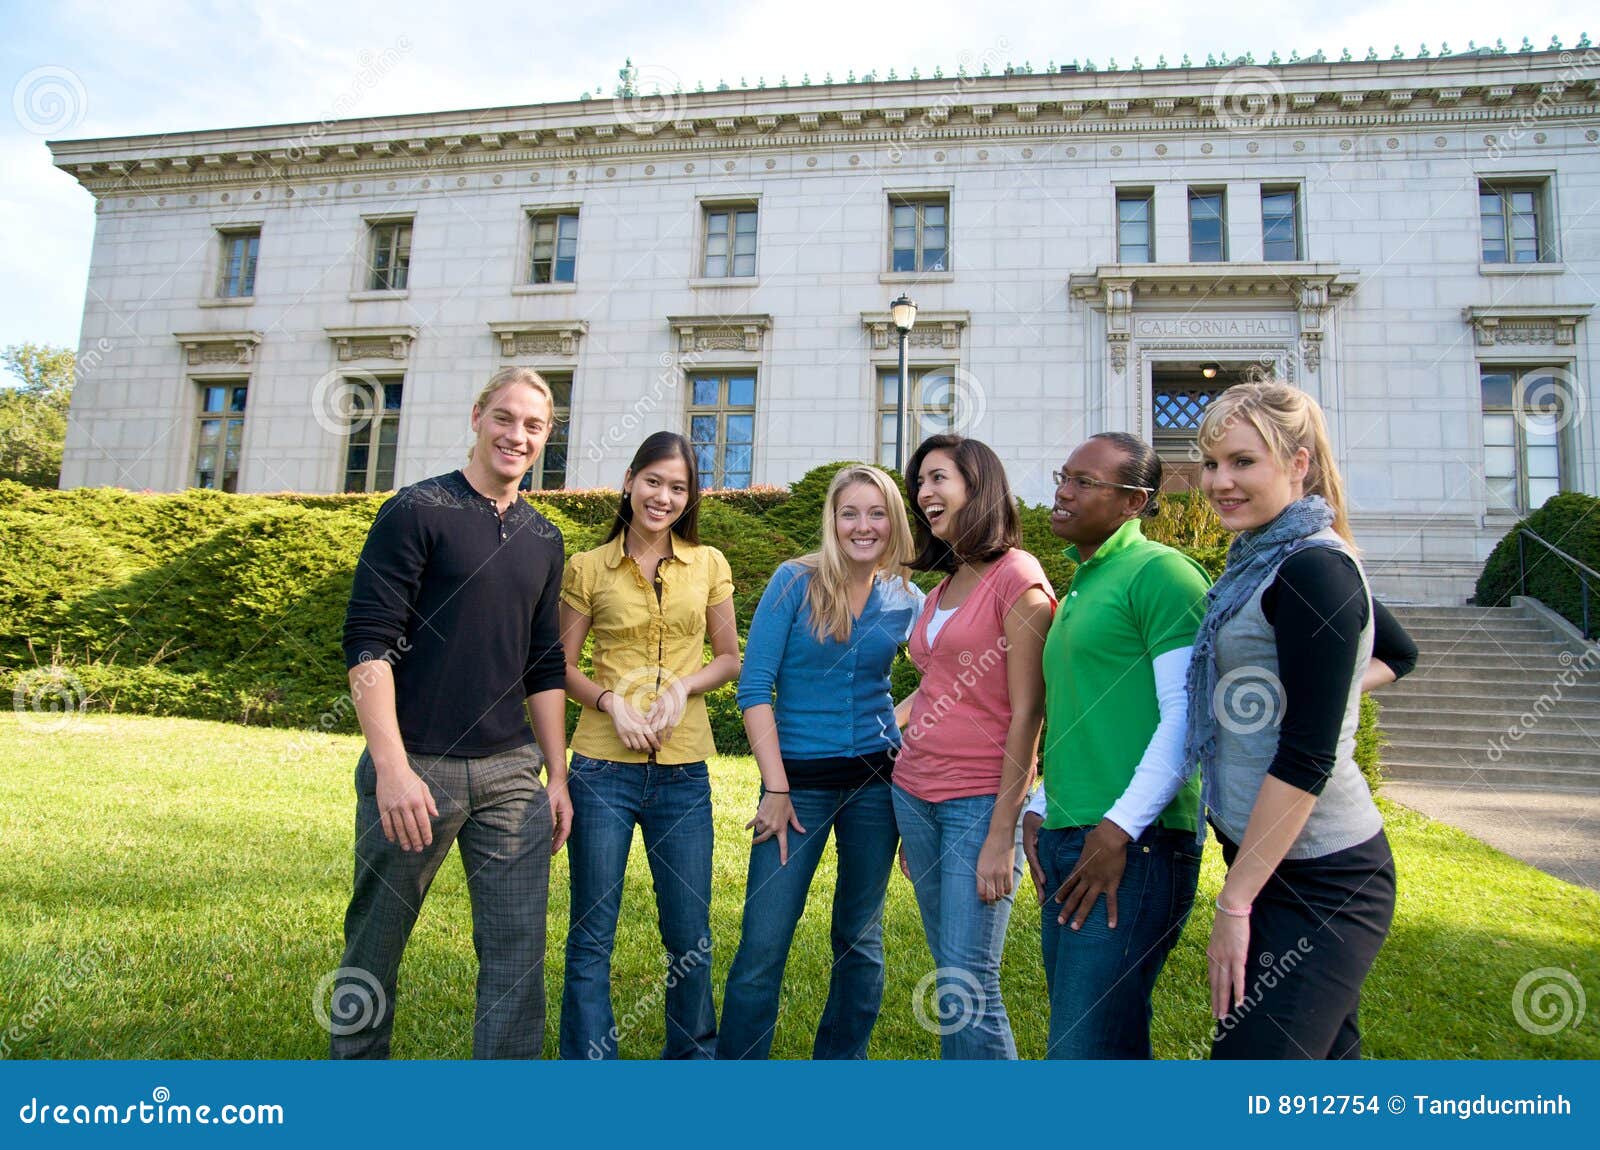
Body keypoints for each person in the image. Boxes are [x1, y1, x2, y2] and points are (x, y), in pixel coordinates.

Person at [333, 365, 572, 1059]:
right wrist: (391, 770)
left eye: (533, 425)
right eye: (505, 417)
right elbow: (368, 645)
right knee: (375, 945)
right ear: (477, 417)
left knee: (516, 958)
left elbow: (544, 665)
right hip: (416, 769)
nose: (516, 435)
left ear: (547, 437)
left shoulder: (544, 537)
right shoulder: (418, 509)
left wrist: (556, 776)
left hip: (508, 774)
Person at [1188, 378, 1414, 1059]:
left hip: (1323, 879)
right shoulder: (1261, 559)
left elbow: (1307, 756)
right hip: (1268, 860)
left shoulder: (1315, 569)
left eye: (1242, 462)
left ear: (1298, 464)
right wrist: (1314, 694)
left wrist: (1234, 904)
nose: (1219, 481)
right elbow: (1395, 650)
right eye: (1211, 463)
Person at [718, 465, 925, 1059]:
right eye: (850, 513)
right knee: (763, 944)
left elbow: (938, 680)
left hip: (876, 786)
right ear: (832, 521)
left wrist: (894, 724)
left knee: (860, 940)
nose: (864, 526)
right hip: (796, 789)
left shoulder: (904, 596)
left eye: (877, 512)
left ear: (893, 521)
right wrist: (775, 789)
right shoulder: (794, 581)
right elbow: (755, 687)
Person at [1020, 433, 1210, 1060]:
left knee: (1080, 1050)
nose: (1062, 492)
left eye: (1084, 482)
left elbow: (1187, 717)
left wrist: (1118, 828)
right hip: (1074, 835)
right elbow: (1092, 713)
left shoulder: (1162, 574)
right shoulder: (1080, 584)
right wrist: (1043, 803)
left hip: (1136, 845)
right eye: (1063, 475)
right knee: (1108, 1044)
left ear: (1134, 502)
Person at [558, 431, 741, 1059]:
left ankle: (691, 1067)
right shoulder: (586, 567)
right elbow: (559, 667)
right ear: (631, 482)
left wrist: (683, 687)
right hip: (601, 767)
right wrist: (611, 702)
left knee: (688, 933)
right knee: (592, 933)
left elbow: (729, 658)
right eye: (654, 482)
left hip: (683, 770)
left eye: (678, 487)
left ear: (690, 498)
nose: (663, 497)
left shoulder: (710, 564)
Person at [891, 433, 1055, 1060]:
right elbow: (935, 692)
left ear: (977, 485)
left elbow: (1028, 714)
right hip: (915, 795)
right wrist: (877, 723)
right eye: (920, 484)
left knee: (969, 984)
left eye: (938, 479)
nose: (924, 494)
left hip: (978, 802)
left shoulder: (1016, 578)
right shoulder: (948, 580)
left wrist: (1000, 834)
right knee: (949, 975)